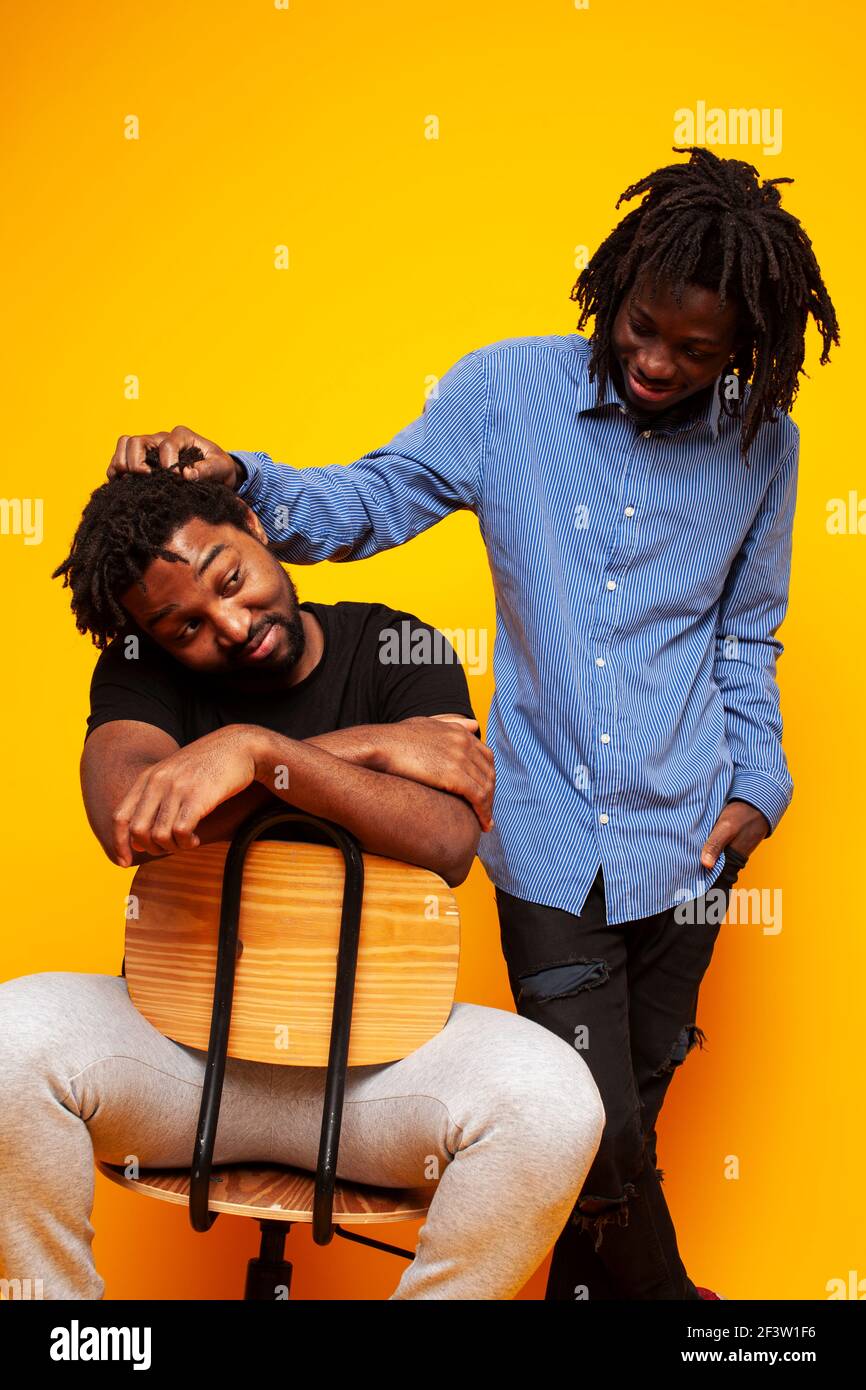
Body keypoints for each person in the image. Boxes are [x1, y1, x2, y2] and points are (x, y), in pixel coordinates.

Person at [103, 145, 840, 1299]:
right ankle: (688, 1316)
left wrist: (757, 787)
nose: (654, 362)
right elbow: (376, 494)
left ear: (744, 350)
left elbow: (748, 636)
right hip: (545, 826)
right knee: (590, 1120)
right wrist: (243, 470)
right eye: (640, 328)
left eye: (694, 353)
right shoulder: (506, 394)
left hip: (693, 831)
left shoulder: (763, 445)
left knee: (638, 1096)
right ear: (611, 291)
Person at [0, 468, 608, 1301]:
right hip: (184, 1070)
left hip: (379, 1081)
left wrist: (255, 754)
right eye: (185, 627)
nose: (231, 623)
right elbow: (127, 820)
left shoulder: (400, 644)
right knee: (8, 1038)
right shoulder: (143, 672)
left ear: (254, 525)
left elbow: (448, 836)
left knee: (557, 1100)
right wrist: (361, 750)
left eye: (231, 578)